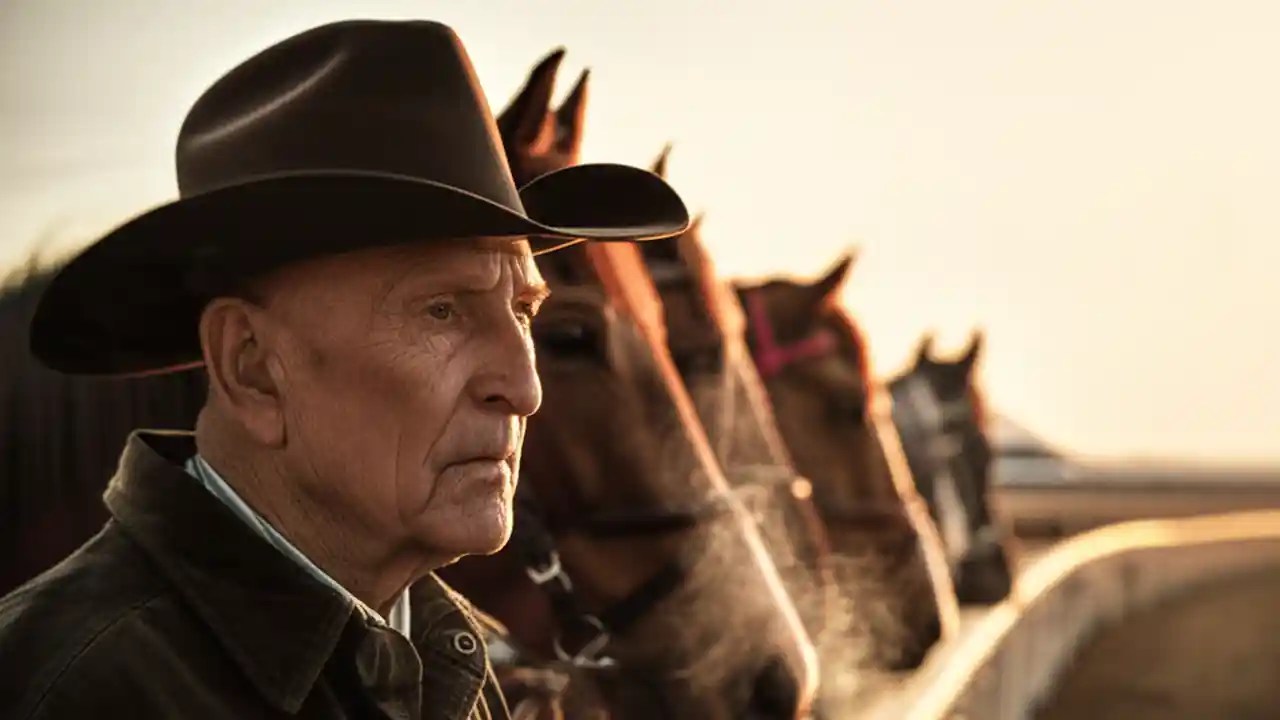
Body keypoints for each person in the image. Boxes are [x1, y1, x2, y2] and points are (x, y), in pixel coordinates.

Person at [0, 19, 688, 720]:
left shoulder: (444, 653)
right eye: (442, 311)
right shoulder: (65, 690)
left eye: (524, 312)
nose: (524, 389)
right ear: (253, 368)